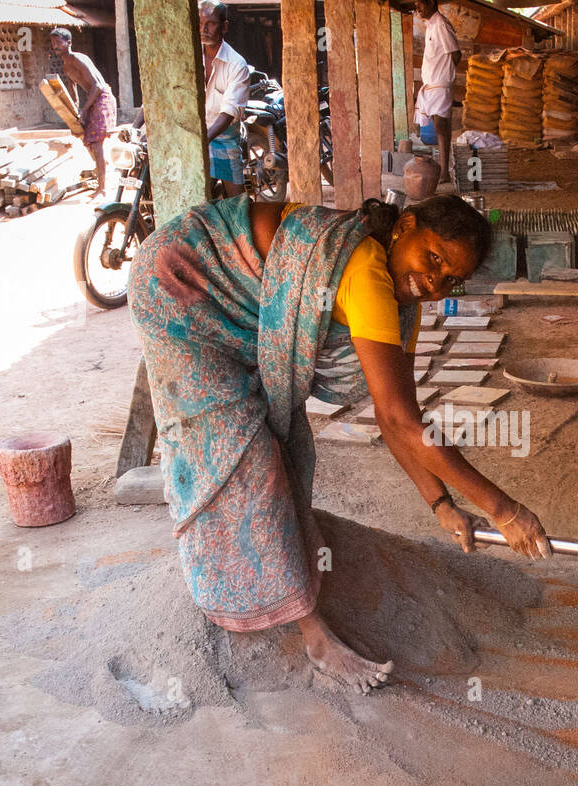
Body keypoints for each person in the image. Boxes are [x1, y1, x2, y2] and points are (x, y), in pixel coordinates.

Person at [128, 194, 551, 695]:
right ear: (405, 227)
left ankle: (279, 561)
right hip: (179, 280)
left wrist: (442, 504)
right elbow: (399, 420)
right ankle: (311, 634)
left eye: (451, 279)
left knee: (263, 445)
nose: (434, 282)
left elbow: (398, 418)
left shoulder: (401, 303)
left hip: (233, 309)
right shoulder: (365, 270)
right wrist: (504, 509)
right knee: (242, 454)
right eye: (433, 258)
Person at [50, 28, 117, 198]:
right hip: (92, 99)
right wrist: (74, 112)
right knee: (88, 140)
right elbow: (74, 94)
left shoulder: (78, 59)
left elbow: (97, 86)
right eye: (53, 43)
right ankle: (103, 178)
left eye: (59, 42)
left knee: (96, 143)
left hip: (101, 97)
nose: (55, 46)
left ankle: (102, 189)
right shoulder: (66, 67)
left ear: (69, 43)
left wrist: (84, 110)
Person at [199, 0, 251, 198]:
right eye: (200, 23)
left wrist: (203, 140)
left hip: (224, 137)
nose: (204, 28)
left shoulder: (237, 64)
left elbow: (228, 113)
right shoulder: (188, 56)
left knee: (237, 204)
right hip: (195, 138)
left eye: (211, 23)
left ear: (224, 26)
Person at [412, 0, 460, 183]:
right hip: (432, 84)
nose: (417, 8)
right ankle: (444, 169)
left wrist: (444, 74)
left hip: (440, 83)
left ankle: (444, 172)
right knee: (439, 125)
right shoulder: (431, 25)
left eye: (420, 3)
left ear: (431, 2)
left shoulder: (441, 24)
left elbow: (456, 54)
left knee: (440, 125)